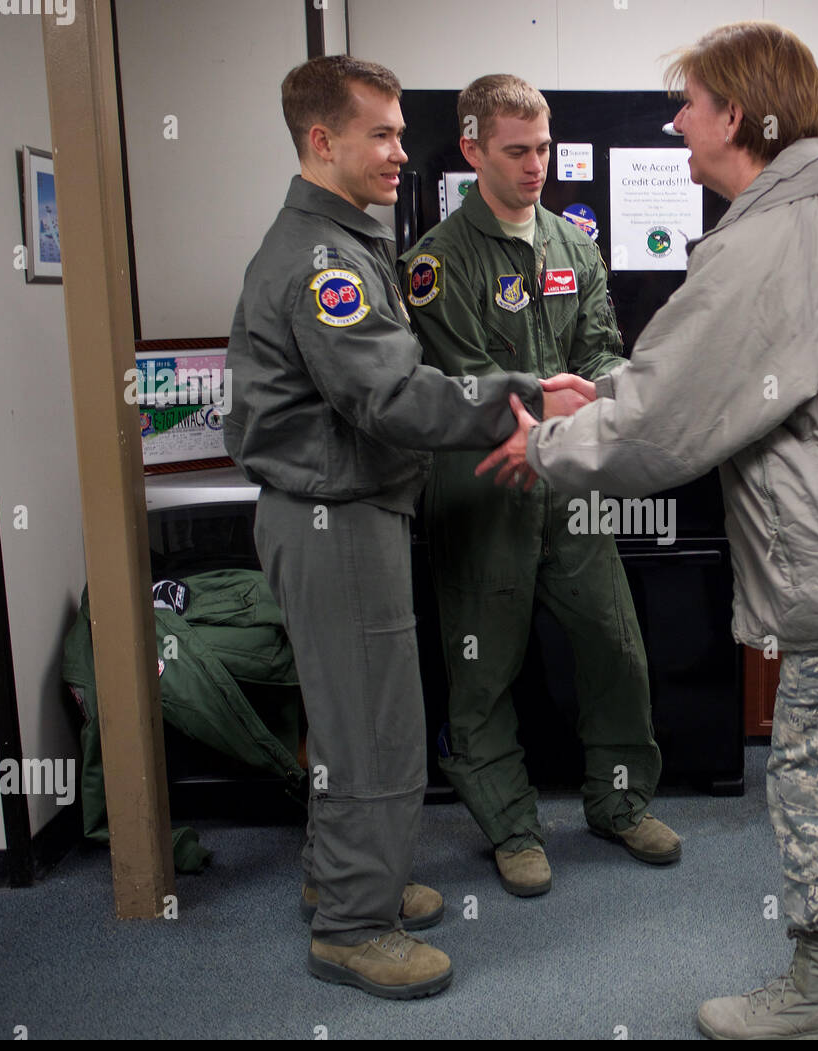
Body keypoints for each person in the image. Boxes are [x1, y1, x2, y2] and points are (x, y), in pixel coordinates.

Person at [476, 21, 818, 1039]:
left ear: (734, 115)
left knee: (813, 771)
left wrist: (546, 449)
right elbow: (703, 372)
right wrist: (601, 391)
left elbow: (666, 419)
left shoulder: (769, 244)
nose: (673, 121)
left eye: (686, 102)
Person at [224, 55, 582, 1000]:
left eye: (397, 131)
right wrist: (523, 392)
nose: (400, 150)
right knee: (378, 731)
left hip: (343, 511)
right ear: (321, 141)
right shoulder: (324, 260)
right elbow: (389, 395)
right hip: (334, 518)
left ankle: (338, 877)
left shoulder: (348, 237)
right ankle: (352, 925)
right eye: (380, 133)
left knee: (350, 719)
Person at [398, 75, 680, 898]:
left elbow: (596, 346)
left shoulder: (574, 244)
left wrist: (615, 384)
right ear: (472, 149)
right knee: (483, 668)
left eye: (544, 148)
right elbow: (465, 381)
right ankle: (511, 824)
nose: (535, 166)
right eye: (516, 151)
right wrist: (545, 392)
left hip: (569, 479)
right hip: (483, 488)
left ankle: (621, 803)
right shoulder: (433, 264)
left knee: (616, 645)